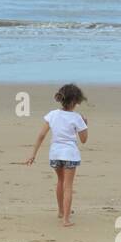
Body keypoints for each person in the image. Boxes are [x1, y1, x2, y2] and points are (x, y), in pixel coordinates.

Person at [24, 84, 88, 227]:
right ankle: (66, 219)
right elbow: (83, 140)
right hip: (70, 155)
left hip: (55, 154)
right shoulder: (77, 118)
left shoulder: (52, 114)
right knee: (68, 186)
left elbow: (41, 135)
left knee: (60, 181)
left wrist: (33, 154)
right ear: (75, 101)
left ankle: (60, 211)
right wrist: (85, 124)